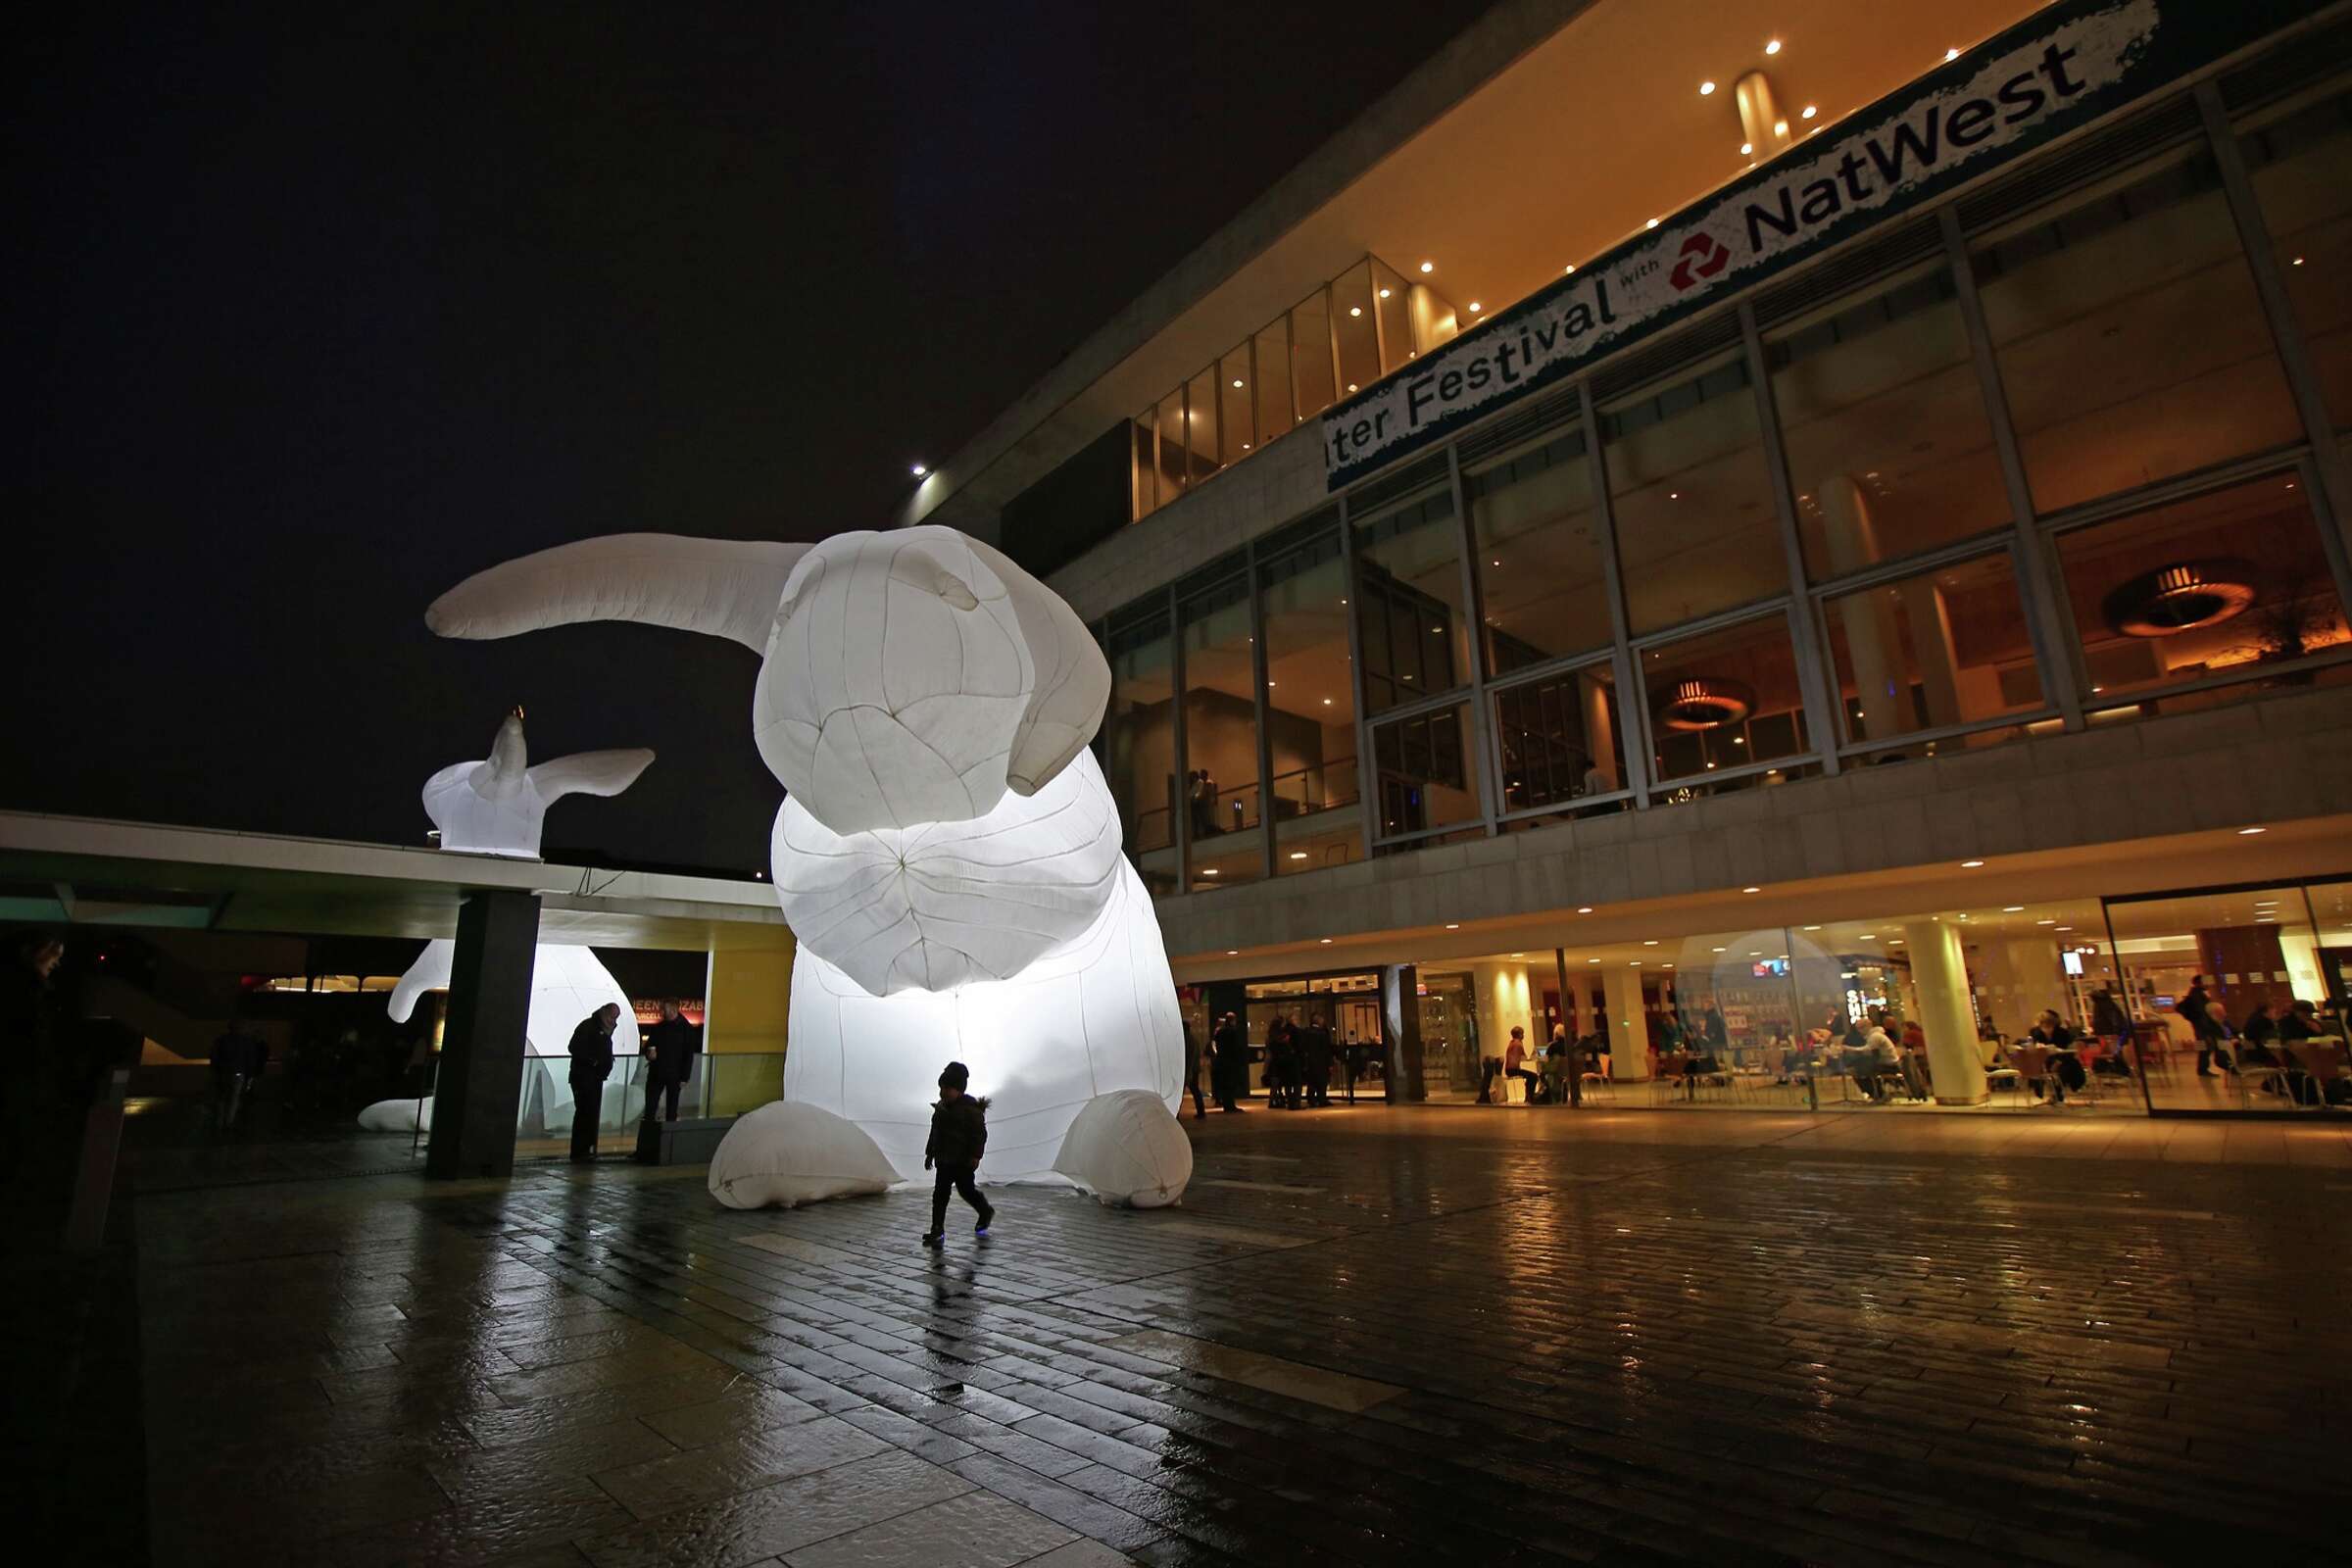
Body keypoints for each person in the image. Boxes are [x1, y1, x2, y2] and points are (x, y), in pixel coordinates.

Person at [921, 1060, 994, 1247]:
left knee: (966, 1190)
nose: (943, 1092)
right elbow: (935, 1133)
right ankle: (937, 1229)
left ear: (959, 1090)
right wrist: (930, 1154)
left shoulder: (971, 1111)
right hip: (944, 1160)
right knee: (940, 1194)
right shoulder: (941, 1109)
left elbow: (979, 1135)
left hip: (963, 1162)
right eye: (941, 1088)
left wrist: (975, 1156)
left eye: (947, 1089)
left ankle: (984, 1210)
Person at [566, 1003, 620, 1162]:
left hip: (594, 1078)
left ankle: (586, 1149)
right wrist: (593, 1062)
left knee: (589, 1114)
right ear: (605, 1013)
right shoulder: (589, 1027)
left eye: (615, 1017)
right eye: (612, 1016)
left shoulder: (602, 1030)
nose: (613, 1020)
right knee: (585, 1112)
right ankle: (580, 1150)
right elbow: (574, 1047)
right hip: (584, 1077)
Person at [642, 1000, 700, 1124]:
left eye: (664, 1009)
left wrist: (684, 1077)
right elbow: (648, 1046)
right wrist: (649, 1053)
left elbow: (688, 1055)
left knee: (671, 1108)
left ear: (673, 1010)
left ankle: (667, 1135)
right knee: (651, 1106)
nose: (661, 1012)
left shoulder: (686, 1030)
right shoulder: (659, 1028)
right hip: (657, 1073)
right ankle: (650, 1133)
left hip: (674, 1074)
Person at [209, 1019, 265, 1132]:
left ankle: (219, 1123)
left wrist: (216, 1071)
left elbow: (214, 1057)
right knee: (234, 1099)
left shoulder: (221, 1040)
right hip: (238, 1073)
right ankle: (228, 1123)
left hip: (223, 1073)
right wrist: (250, 1076)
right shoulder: (246, 1041)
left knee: (222, 1098)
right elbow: (250, 1060)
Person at [2026, 1009, 2085, 1104]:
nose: (2045, 1028)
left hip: (2063, 1058)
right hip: (2043, 1059)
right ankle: (2050, 1092)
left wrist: (2058, 1061)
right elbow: (2032, 1046)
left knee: (2063, 1068)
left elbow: (2067, 1050)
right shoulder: (2034, 1032)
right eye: (2043, 1025)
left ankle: (2057, 1093)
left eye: (2048, 1025)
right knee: (2038, 1067)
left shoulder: (2062, 1032)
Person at [2180, 975, 2233, 1078]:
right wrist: (2208, 1026)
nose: (2208, 984)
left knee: (2206, 1048)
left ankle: (2203, 1069)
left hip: (2201, 1026)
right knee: (2207, 1047)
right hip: (2203, 1026)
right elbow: (2203, 1012)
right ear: (2199, 983)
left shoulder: (2196, 994)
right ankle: (2205, 1069)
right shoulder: (2197, 995)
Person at [1210, 1012, 1247, 1111]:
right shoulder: (1232, 1032)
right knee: (1230, 1084)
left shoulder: (1220, 1031)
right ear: (1232, 1020)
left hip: (1221, 1061)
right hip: (1230, 1062)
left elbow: (1216, 1044)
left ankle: (1227, 1105)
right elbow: (1236, 1047)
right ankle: (1230, 1105)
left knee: (1225, 1084)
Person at [1300, 1012, 1334, 1107]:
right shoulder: (1322, 1034)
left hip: (1310, 1061)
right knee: (1322, 1082)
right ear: (1319, 1021)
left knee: (1311, 1081)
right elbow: (1326, 1050)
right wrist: (1330, 1063)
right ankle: (1321, 1099)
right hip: (1321, 1062)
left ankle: (1311, 1099)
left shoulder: (1306, 1032)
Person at [1501, 1026, 1540, 1103]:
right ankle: (1530, 1097)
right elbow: (1524, 1057)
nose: (1523, 1036)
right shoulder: (1519, 1043)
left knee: (1530, 1076)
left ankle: (1528, 1096)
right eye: (1522, 1034)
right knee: (1534, 1076)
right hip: (1514, 1070)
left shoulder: (1511, 1043)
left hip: (1508, 1070)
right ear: (1519, 1035)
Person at [1181, 1020, 1207, 1119]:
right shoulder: (1193, 1039)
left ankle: (1177, 1113)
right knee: (1195, 1090)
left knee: (1185, 1091)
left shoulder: (1185, 1040)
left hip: (1188, 1068)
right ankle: (1201, 1111)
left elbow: (1188, 1057)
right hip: (1194, 1068)